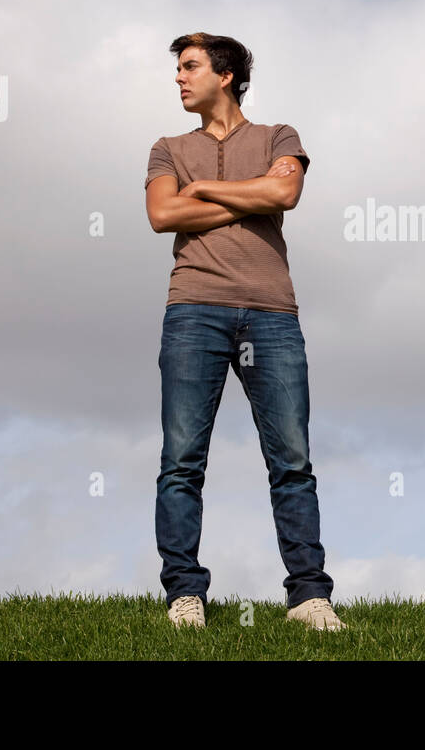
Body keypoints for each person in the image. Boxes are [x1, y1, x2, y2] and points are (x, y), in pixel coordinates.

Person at [144, 32, 345, 631]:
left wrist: (202, 190)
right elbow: (162, 215)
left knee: (292, 460)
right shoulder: (167, 147)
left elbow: (285, 190)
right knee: (182, 459)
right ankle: (186, 595)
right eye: (178, 69)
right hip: (193, 308)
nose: (179, 78)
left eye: (190, 67)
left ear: (225, 75)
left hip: (272, 313)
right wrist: (248, 199)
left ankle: (309, 597)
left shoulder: (279, 138)